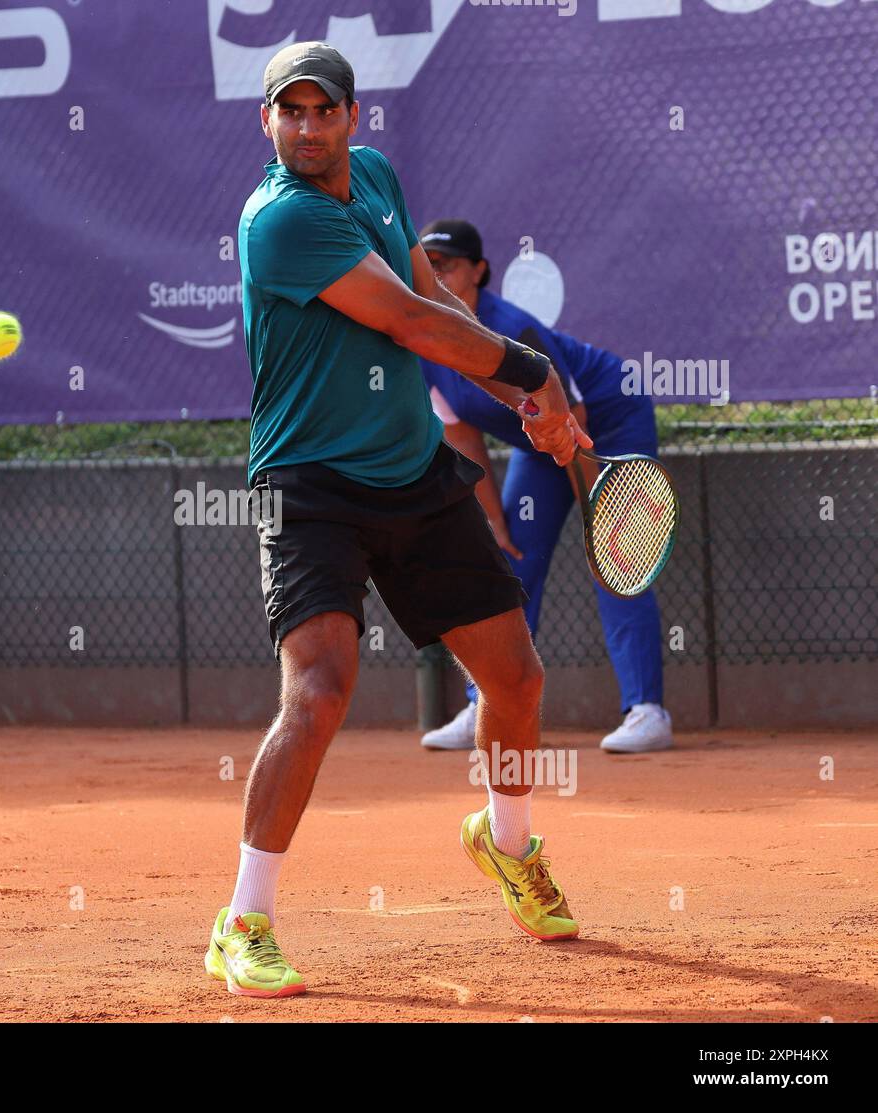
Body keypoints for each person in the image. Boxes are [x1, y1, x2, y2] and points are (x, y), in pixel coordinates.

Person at [204, 42, 592, 999]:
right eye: (286, 112)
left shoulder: (374, 177)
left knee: (516, 677)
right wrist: (533, 376)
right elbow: (414, 326)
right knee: (321, 691)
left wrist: (527, 399)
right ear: (267, 123)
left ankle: (507, 846)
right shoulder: (279, 222)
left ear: (351, 118)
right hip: (312, 487)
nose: (304, 127)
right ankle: (244, 920)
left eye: (320, 110)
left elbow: (426, 294)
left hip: (411, 471)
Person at [415, 220, 672, 755]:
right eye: (428, 265)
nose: (437, 275)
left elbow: (569, 408)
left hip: (605, 419)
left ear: (479, 272)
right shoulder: (424, 342)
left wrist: (599, 504)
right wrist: (493, 519)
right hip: (542, 442)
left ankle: (647, 711)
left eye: (449, 266)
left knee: (619, 556)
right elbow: (460, 434)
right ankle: (482, 704)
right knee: (508, 564)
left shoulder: (511, 327)